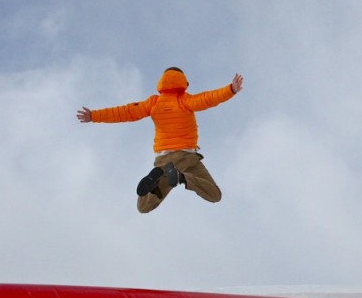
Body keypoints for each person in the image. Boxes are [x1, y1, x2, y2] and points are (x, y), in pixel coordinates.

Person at [77, 67, 244, 213]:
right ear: (183, 82)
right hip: (186, 158)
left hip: (163, 159)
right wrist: (230, 90)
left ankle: (161, 178)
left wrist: (93, 116)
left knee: (143, 207)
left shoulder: (153, 103)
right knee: (214, 195)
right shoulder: (184, 100)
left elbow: (125, 112)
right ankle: (181, 177)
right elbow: (207, 98)